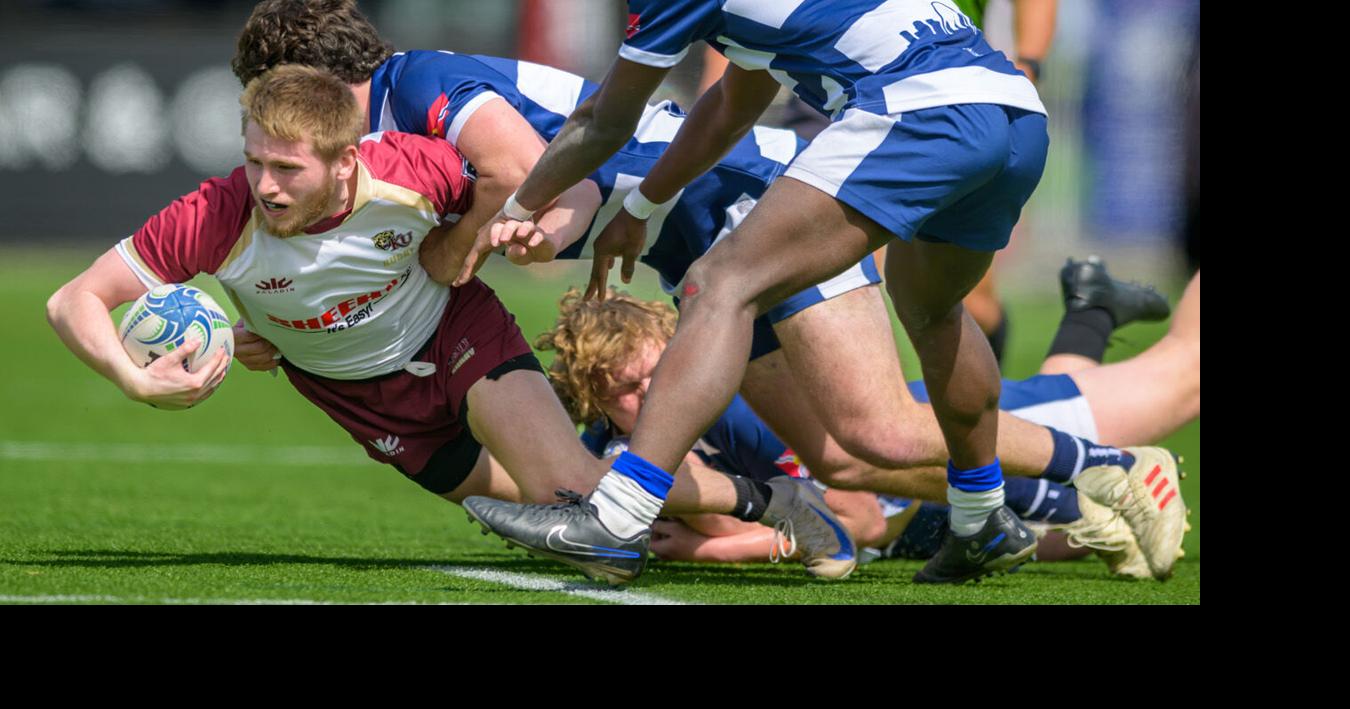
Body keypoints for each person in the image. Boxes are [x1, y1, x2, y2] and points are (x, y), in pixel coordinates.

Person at [228, 0, 1174, 584]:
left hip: (757, 189)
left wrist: (485, 239)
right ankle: (1026, 503)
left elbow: (544, 157)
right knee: (843, 453)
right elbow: (728, 95)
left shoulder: (417, 86)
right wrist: (638, 206)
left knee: (873, 425)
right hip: (724, 201)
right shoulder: (368, 144)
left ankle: (619, 512)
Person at [45, 64, 838, 585]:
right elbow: (73, 299)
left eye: (287, 168)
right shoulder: (217, 214)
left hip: (454, 335)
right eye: (254, 161)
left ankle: (771, 500)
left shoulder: (408, 171)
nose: (265, 186)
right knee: (578, 509)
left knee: (582, 510)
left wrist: (473, 245)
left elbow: (522, 179)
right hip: (361, 401)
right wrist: (134, 378)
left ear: (346, 161)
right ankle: (704, 501)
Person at [539, 262, 1198, 579]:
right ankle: (1092, 307)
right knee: (1086, 537)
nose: (656, 393)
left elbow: (860, 520)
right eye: (628, 390)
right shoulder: (615, 447)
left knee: (1186, 373)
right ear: (595, 404)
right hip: (933, 513)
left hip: (981, 437)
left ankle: (1093, 311)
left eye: (660, 371)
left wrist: (714, 545)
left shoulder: (738, 407)